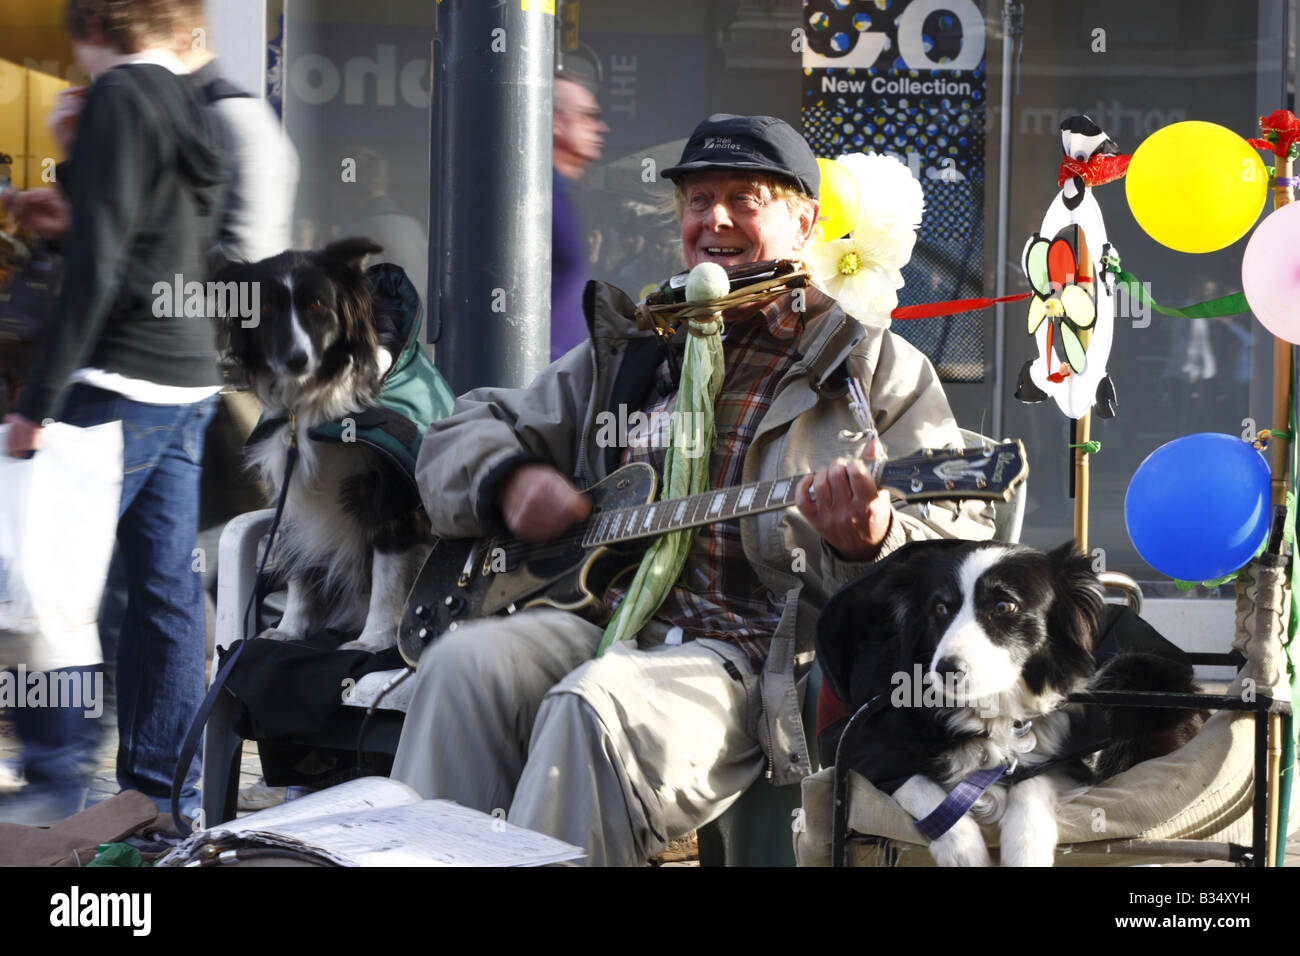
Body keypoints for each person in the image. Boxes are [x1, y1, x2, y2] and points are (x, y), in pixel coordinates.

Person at [390, 113, 995, 865]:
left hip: (748, 663)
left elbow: (958, 555)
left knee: (593, 704)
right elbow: (462, 429)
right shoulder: (638, 347)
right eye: (698, 199)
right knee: (461, 667)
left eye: (745, 199)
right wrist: (509, 481)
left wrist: (871, 540)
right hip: (600, 623)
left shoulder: (875, 369)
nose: (715, 219)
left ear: (805, 220)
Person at [1, 0, 223, 824]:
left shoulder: (120, 99)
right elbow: (155, 238)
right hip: (186, 378)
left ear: (96, 27)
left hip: (116, 379)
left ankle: (55, 783)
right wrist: (75, 202)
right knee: (164, 597)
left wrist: (39, 401)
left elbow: (100, 263)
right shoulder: (186, 104)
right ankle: (161, 799)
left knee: (47, 581)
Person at [550, 74, 608, 361]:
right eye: (588, 116)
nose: (601, 128)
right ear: (555, 122)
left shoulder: (559, 195)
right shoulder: (534, 201)